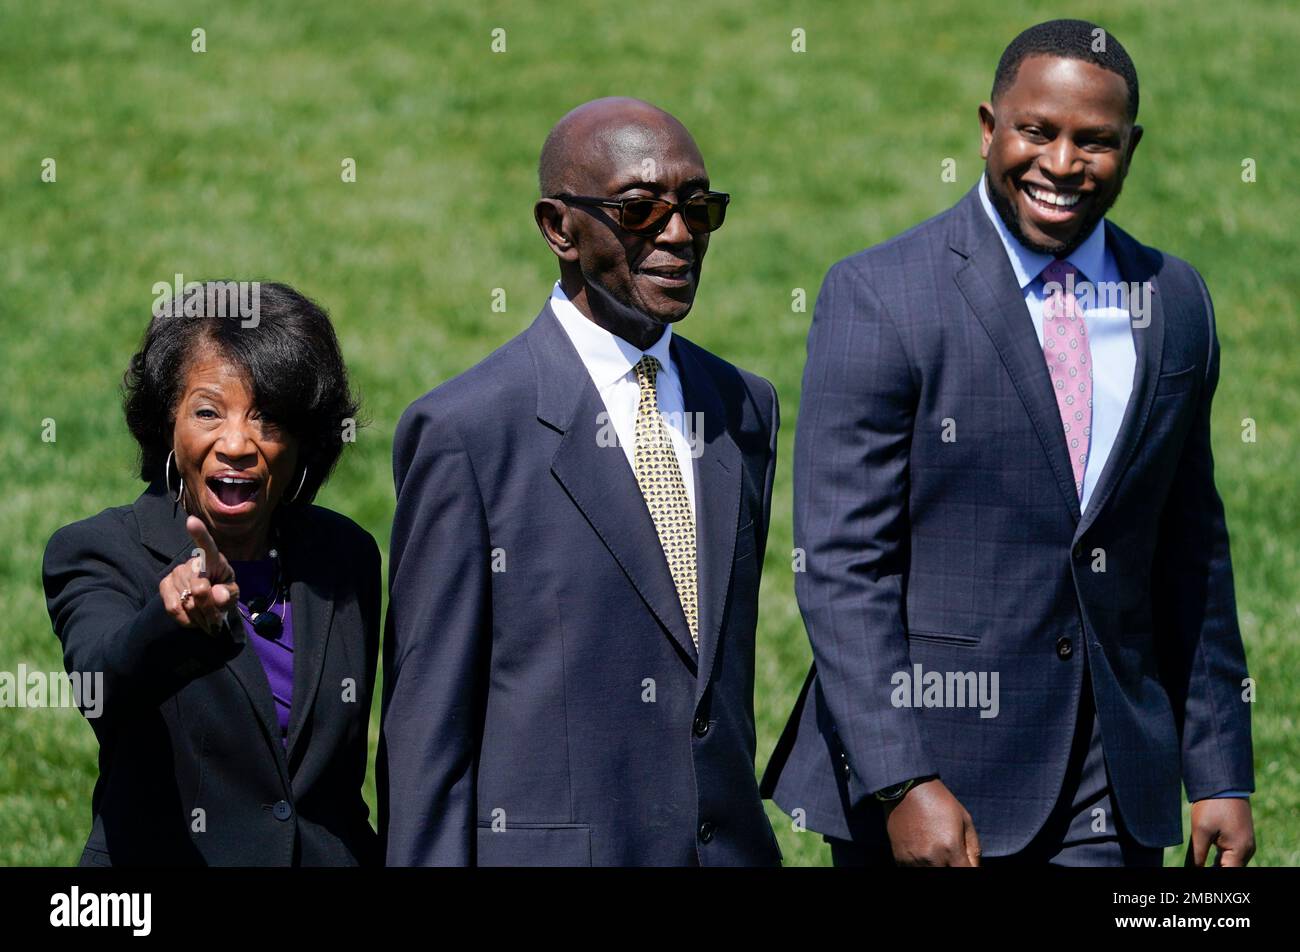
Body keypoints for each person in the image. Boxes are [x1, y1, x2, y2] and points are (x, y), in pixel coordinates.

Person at [762, 20, 1255, 866]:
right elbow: (843, 565)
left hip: (1112, 783)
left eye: (1095, 141)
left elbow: (1191, 548)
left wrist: (1219, 767)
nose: (1062, 163)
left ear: (1131, 148)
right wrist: (901, 780)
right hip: (938, 776)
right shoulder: (880, 295)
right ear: (989, 129)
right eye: (1037, 131)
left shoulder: (1175, 301)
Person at [380, 97, 781, 866]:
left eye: (699, 208)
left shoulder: (744, 407)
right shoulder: (468, 431)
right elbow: (428, 730)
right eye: (640, 209)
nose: (678, 234)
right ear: (558, 228)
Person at [43, 281, 380, 866]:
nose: (237, 443)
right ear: (166, 423)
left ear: (304, 439)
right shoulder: (99, 550)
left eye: (267, 418)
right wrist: (168, 621)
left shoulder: (345, 556)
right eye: (207, 412)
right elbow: (101, 684)